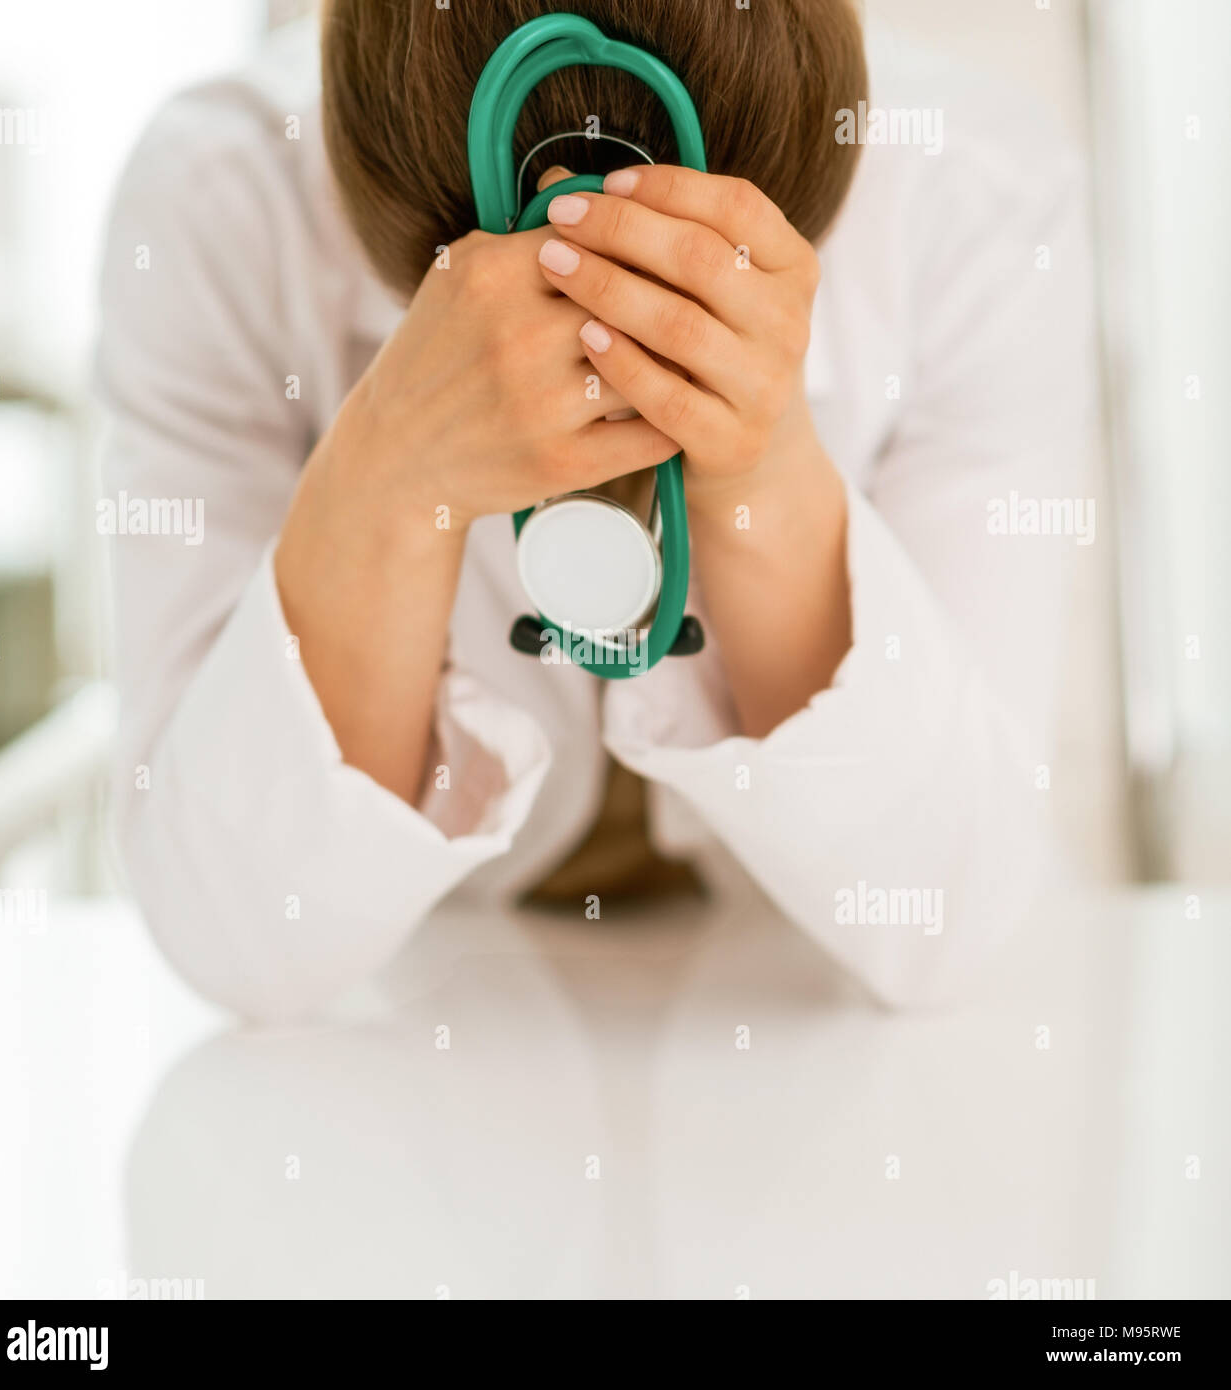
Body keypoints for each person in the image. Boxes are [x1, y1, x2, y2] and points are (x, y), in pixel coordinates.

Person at [96, 1, 1096, 1021]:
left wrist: (763, 480)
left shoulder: (975, 196)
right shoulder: (216, 200)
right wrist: (388, 479)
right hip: (423, 1027)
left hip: (799, 1019)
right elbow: (234, 935)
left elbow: (947, 914)